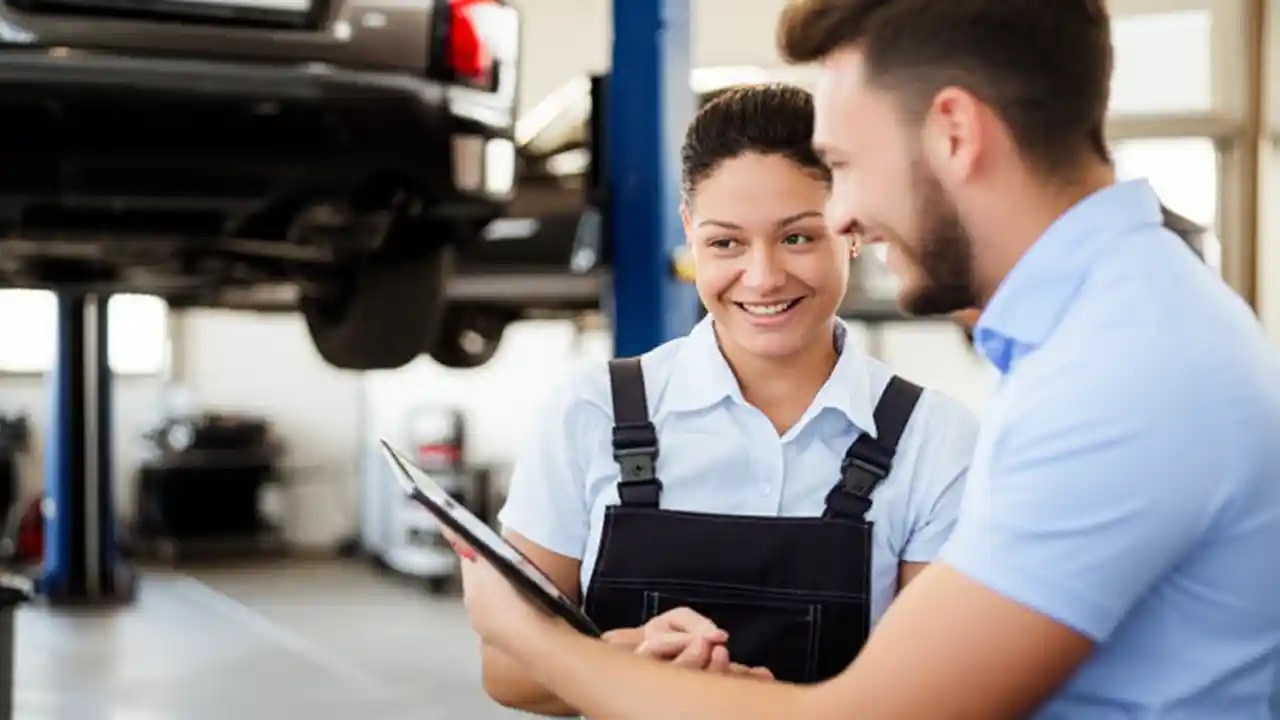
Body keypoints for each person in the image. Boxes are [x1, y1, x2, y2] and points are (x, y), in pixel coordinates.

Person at [448, 1, 1280, 718]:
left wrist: (524, 631)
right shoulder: (1119, 331)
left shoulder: (1123, 375)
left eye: (844, 167)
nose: (850, 213)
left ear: (954, 133)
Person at [476, 83, 979, 715]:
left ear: (851, 225)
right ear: (690, 233)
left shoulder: (935, 439)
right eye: (725, 243)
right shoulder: (593, 411)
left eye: (798, 237)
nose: (763, 276)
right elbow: (507, 671)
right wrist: (622, 660)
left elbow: (943, 693)